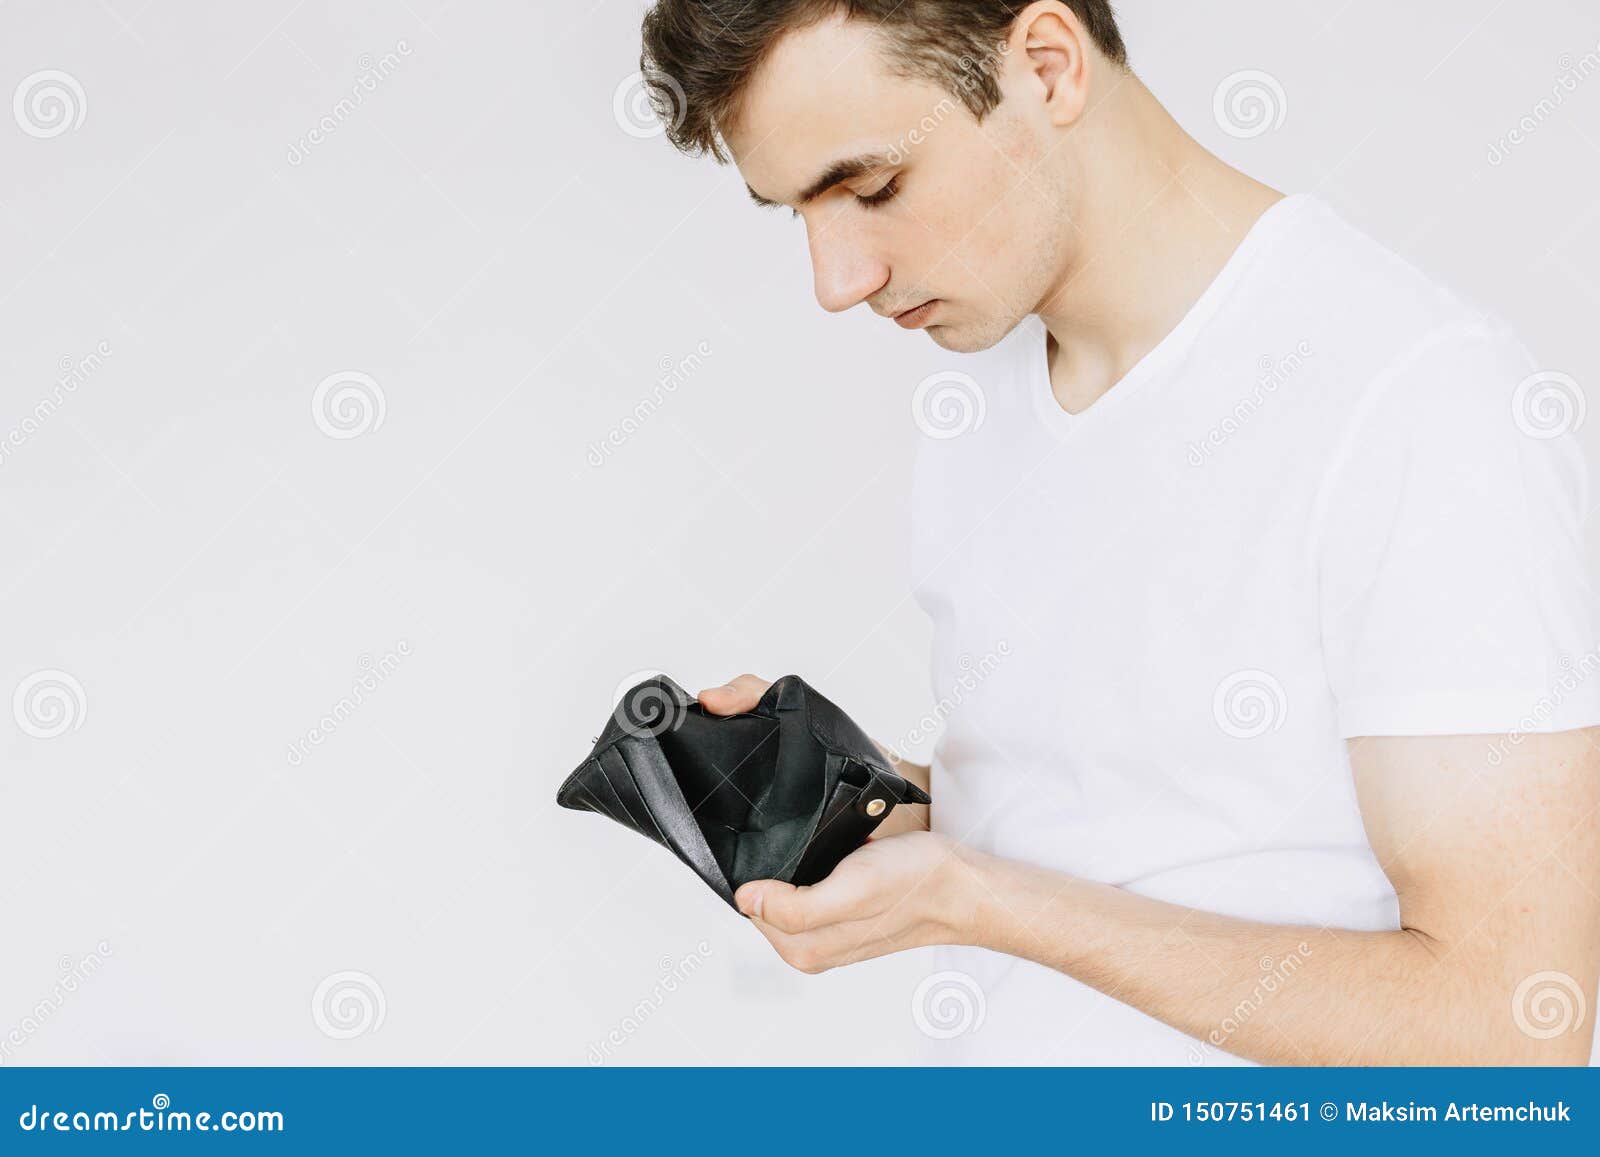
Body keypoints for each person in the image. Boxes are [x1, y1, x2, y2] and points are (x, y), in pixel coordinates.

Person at [638, 0, 1600, 1064]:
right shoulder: (986, 389)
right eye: (798, 214)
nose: (837, 280)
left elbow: (1509, 1028)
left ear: (1047, 66)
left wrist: (980, 898)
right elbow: (1120, 827)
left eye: (871, 188)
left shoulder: (1416, 401)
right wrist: (857, 797)